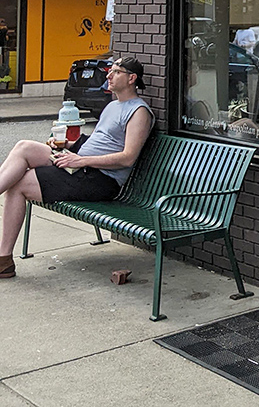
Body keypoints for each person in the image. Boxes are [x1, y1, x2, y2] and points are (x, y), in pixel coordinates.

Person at [0, 56, 154, 280]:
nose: (109, 75)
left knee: (19, 185)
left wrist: (81, 161)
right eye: (110, 71)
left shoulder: (139, 112)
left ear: (132, 79)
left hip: (99, 179)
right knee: (24, 147)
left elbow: (128, 158)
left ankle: (3, 260)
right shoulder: (113, 106)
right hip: (80, 166)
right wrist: (69, 146)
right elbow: (100, 140)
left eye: (116, 72)